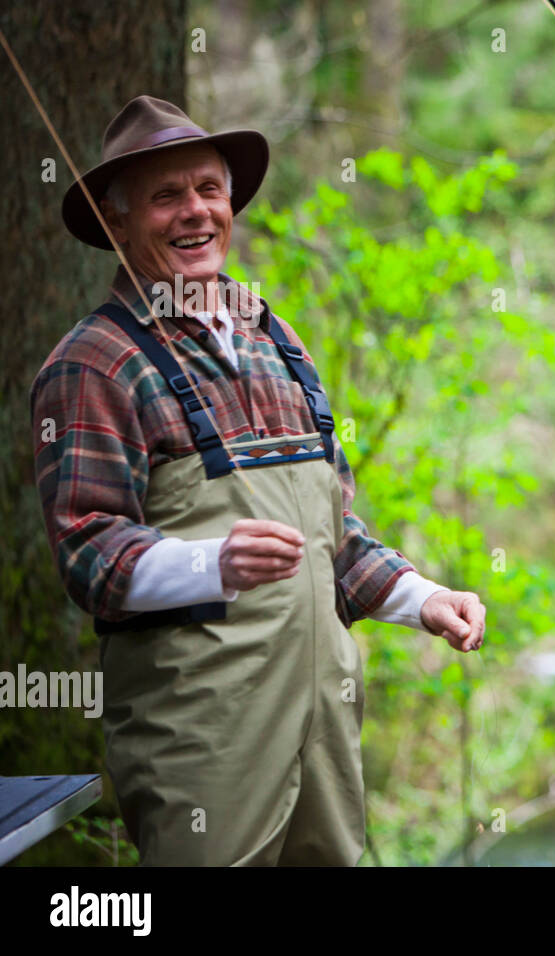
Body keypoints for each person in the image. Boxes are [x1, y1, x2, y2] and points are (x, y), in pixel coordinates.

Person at [30, 95, 486, 866]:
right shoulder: (94, 364)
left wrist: (423, 599)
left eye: (208, 189)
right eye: (165, 196)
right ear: (116, 224)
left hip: (324, 731)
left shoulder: (279, 343)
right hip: (202, 740)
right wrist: (216, 564)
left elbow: (332, 537)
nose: (195, 212)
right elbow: (89, 555)